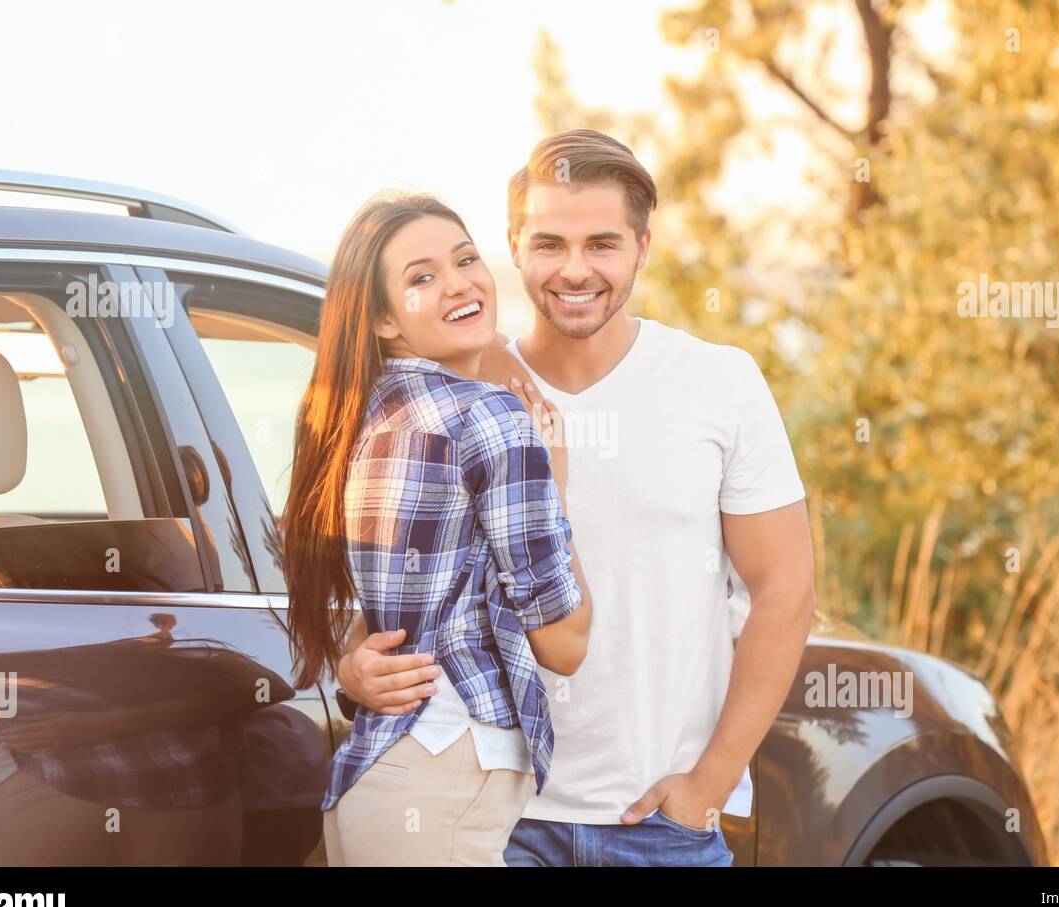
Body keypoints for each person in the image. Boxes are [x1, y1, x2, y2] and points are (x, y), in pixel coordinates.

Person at [339, 130, 815, 867]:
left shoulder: (719, 383)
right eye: (550, 244)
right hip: (493, 813)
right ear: (514, 244)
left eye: (602, 244)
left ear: (643, 247)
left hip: (658, 823)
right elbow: (401, 571)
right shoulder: (463, 393)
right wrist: (353, 663)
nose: (574, 270)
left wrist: (707, 787)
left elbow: (784, 589)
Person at [281, 192, 592, 866]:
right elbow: (564, 644)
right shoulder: (492, 420)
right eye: (422, 278)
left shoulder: (360, 421)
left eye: (465, 259)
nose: (457, 283)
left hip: (380, 781)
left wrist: (351, 663)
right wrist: (552, 483)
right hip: (445, 773)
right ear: (385, 321)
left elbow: (414, 599)